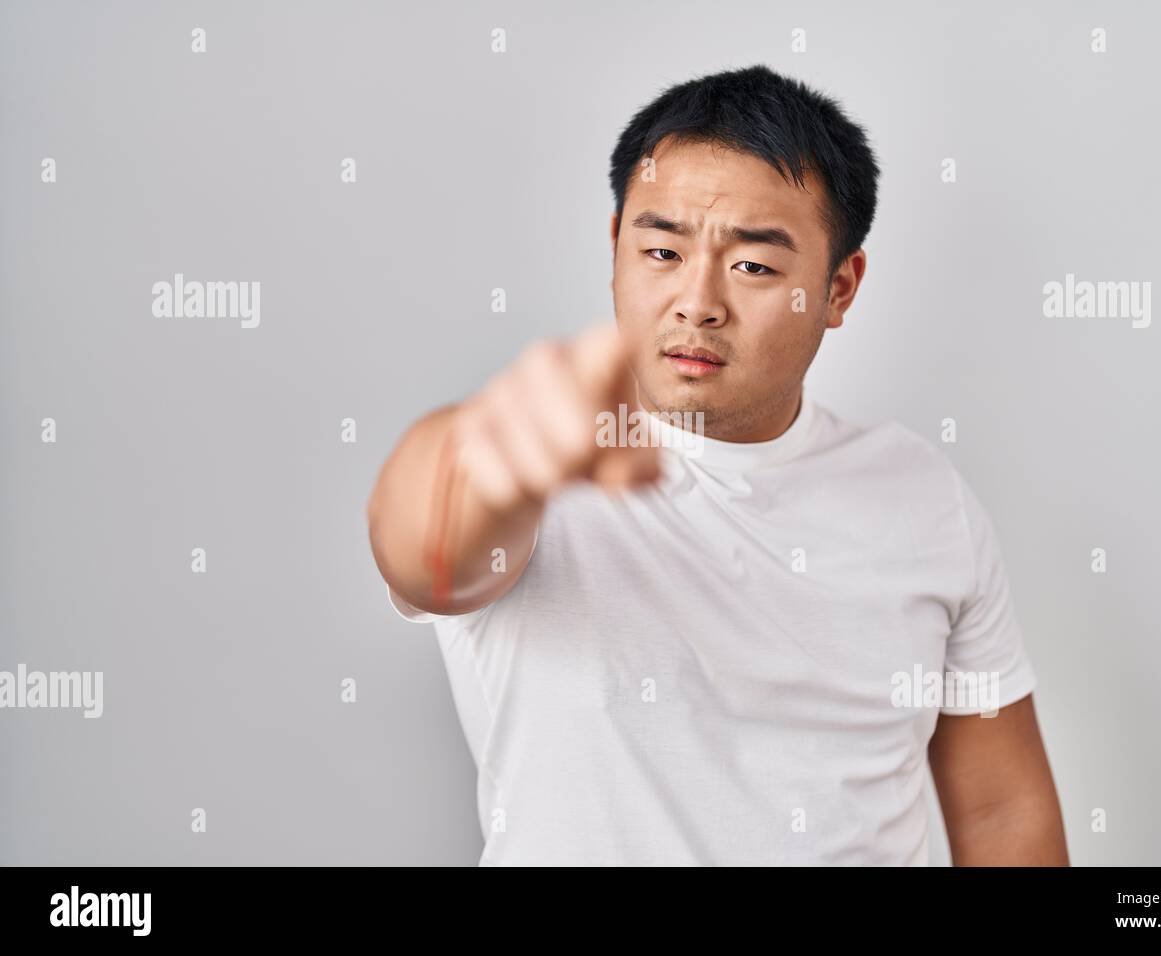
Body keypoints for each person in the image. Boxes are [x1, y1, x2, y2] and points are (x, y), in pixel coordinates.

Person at [367, 64, 1068, 866]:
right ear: (615, 248)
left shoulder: (924, 496)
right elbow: (423, 547)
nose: (696, 301)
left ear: (838, 289)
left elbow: (1003, 813)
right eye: (662, 250)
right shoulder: (541, 467)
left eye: (754, 267)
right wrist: (492, 460)